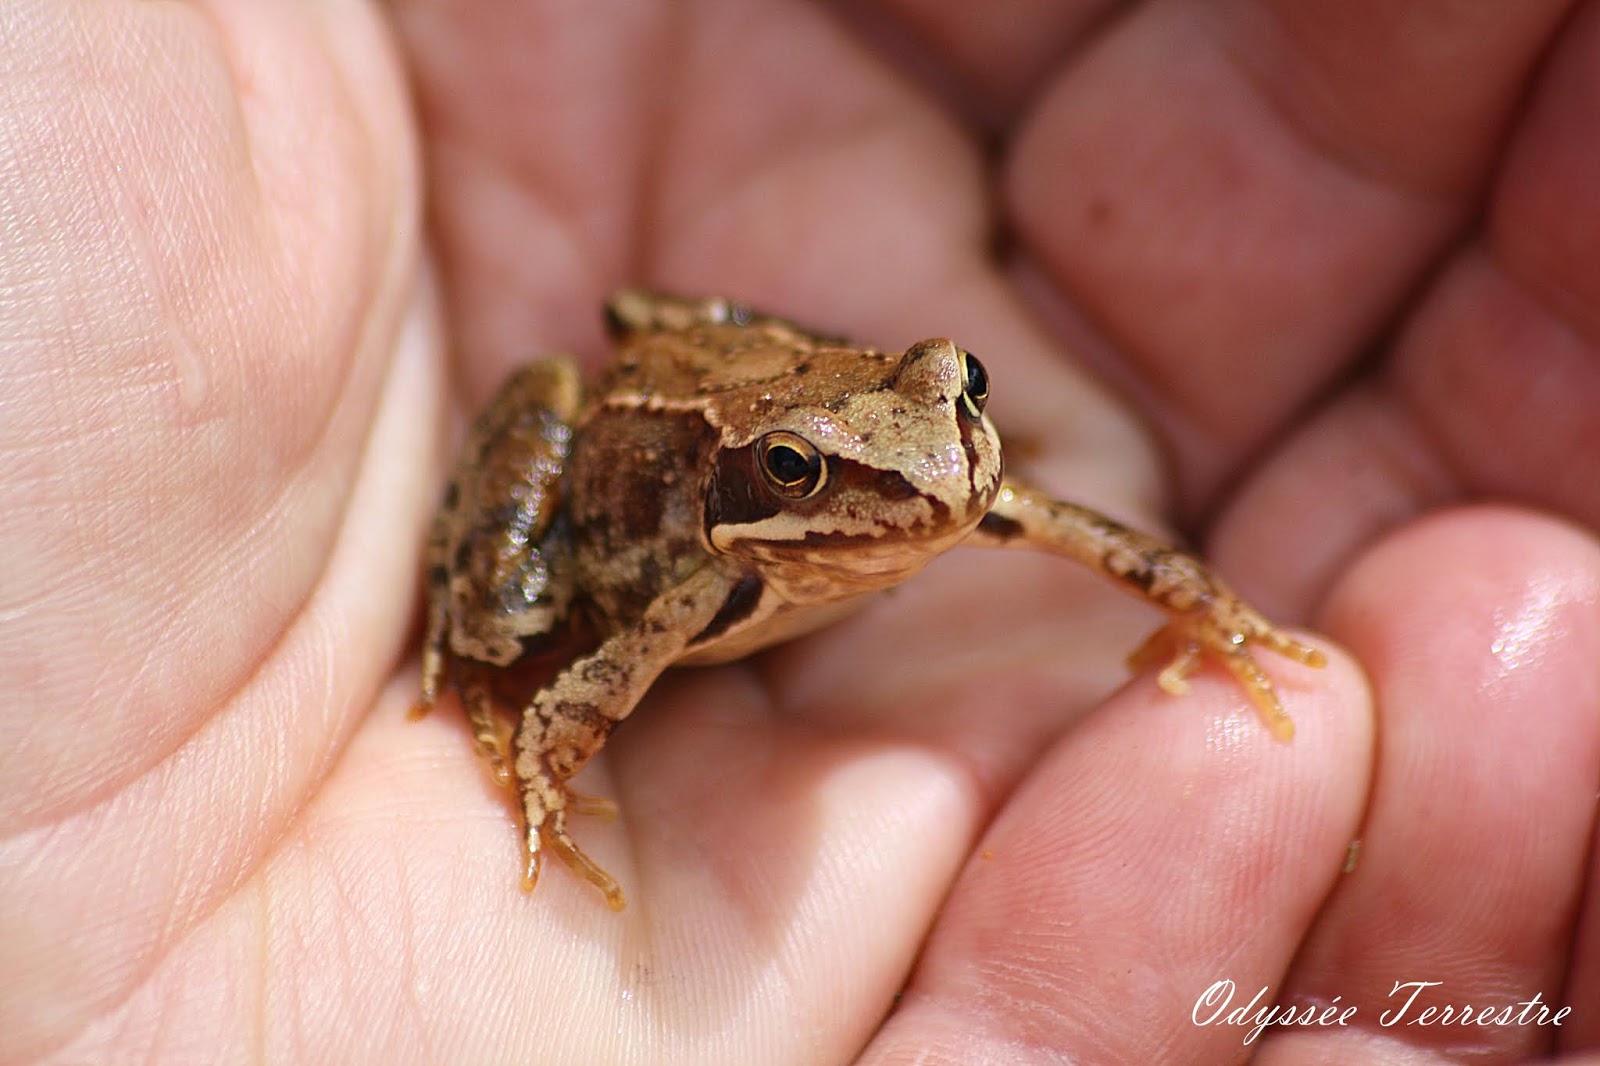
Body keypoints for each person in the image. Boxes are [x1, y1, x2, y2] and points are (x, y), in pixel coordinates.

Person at [4, 2, 1597, 1062]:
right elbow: (579, 696)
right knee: (510, 620)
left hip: (744, 380)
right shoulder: (692, 580)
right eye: (811, 475)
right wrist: (527, 748)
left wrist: (1211, 612)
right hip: (629, 462)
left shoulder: (953, 474)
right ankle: (579, 562)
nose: (940, 486)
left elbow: (1090, 536)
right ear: (769, 485)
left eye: (960, 402)